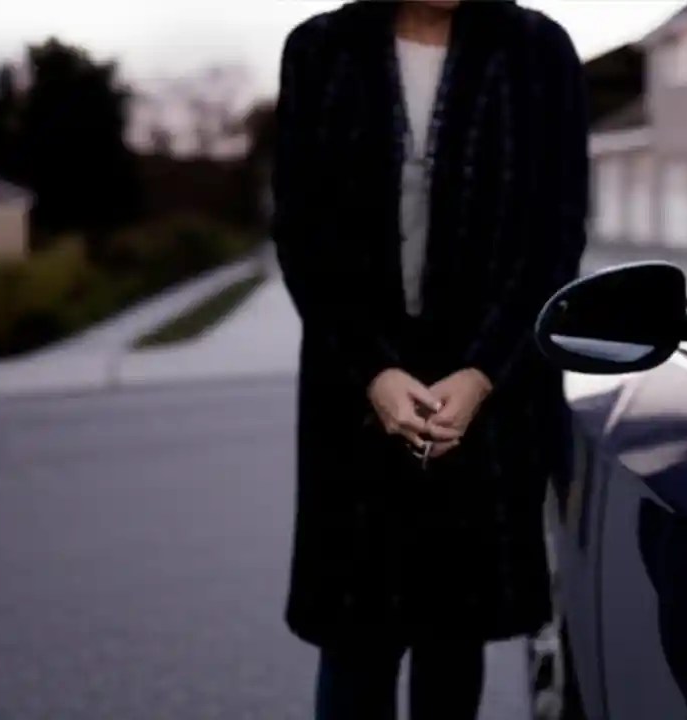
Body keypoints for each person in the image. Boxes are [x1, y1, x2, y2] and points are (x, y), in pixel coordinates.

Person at [271, 0, 588, 717]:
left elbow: (555, 239)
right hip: (356, 390)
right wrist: (373, 374)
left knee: (456, 637)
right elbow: (301, 233)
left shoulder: (536, 51)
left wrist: (482, 376)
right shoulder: (321, 48)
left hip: (483, 395)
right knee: (355, 645)